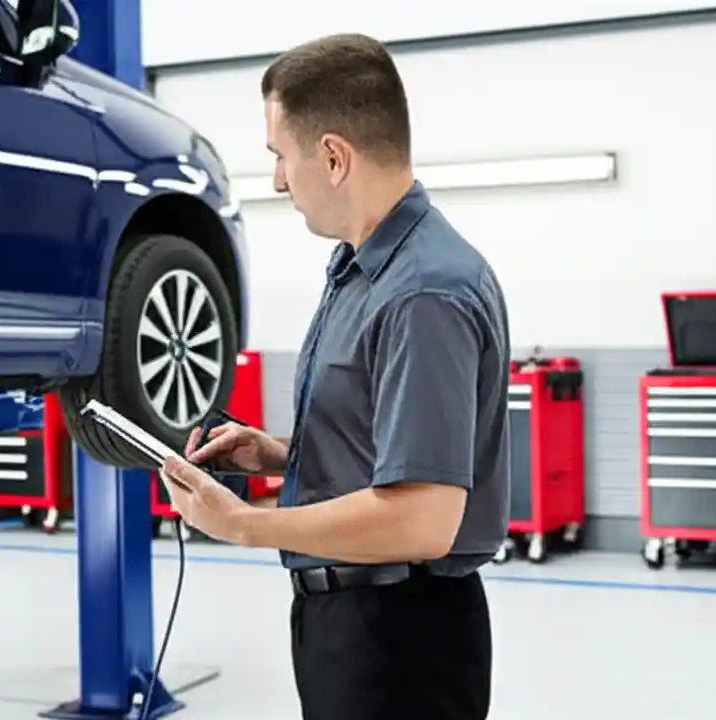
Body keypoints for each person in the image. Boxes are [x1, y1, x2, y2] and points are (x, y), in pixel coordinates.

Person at [157, 32, 511, 720]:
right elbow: (401, 455)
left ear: (332, 156)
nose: (281, 180)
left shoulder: (422, 291)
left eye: (280, 157)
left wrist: (244, 525)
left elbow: (424, 517)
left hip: (400, 638)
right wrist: (286, 455)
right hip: (352, 622)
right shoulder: (364, 269)